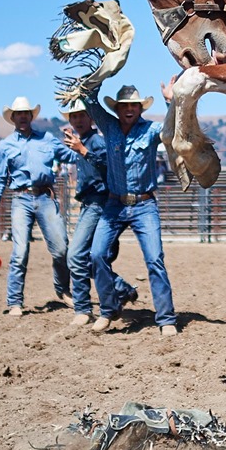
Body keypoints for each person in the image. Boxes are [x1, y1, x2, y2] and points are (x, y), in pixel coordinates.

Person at [84, 84, 177, 336]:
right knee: (96, 255)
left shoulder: (151, 130)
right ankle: (108, 309)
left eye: (133, 105)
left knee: (154, 258)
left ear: (139, 108)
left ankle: (166, 318)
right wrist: (95, 80)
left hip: (144, 204)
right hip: (114, 204)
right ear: (117, 108)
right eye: (124, 105)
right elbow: (89, 102)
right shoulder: (109, 126)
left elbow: (173, 127)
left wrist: (170, 102)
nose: (128, 109)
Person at [0, 97, 80, 318]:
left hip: (45, 197)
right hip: (21, 199)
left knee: (61, 249)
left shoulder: (47, 139)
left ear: (30, 116)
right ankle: (15, 301)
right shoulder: (6, 146)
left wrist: (78, 143)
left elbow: (72, 156)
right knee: (20, 252)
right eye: (18, 114)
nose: (22, 117)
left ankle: (62, 289)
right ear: (13, 118)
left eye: (26, 113)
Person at [60, 99, 137, 327]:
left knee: (76, 255)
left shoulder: (95, 143)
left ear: (90, 118)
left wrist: (83, 151)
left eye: (81, 115)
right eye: (74, 117)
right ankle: (121, 289)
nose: (77, 120)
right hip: (91, 203)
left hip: (99, 202)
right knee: (89, 257)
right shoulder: (83, 142)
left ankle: (83, 308)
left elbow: (109, 165)